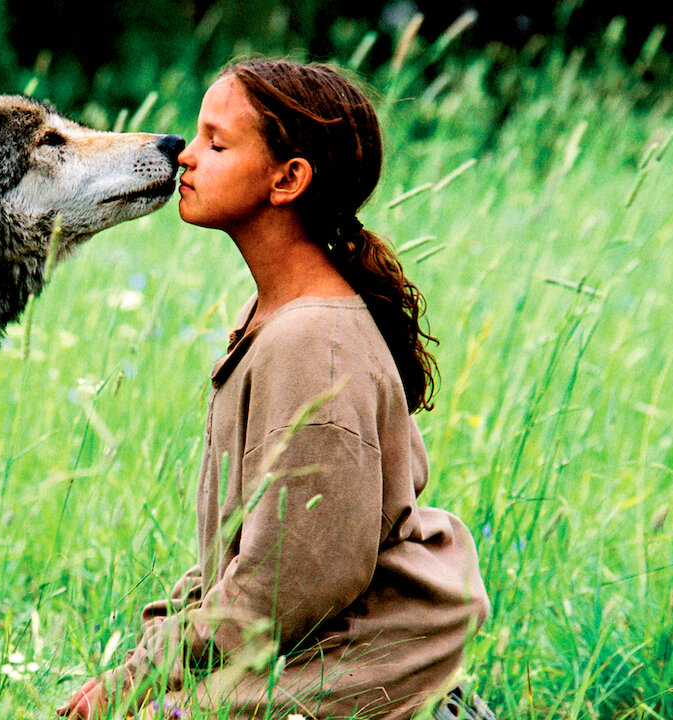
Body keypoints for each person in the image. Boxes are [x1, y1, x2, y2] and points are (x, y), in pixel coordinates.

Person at [58, 58, 493, 720]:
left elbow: (284, 592)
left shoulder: (311, 342)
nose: (187, 157)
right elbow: (239, 562)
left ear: (287, 180)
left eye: (216, 143)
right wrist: (140, 665)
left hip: (349, 677)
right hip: (294, 662)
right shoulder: (274, 320)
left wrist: (137, 684)